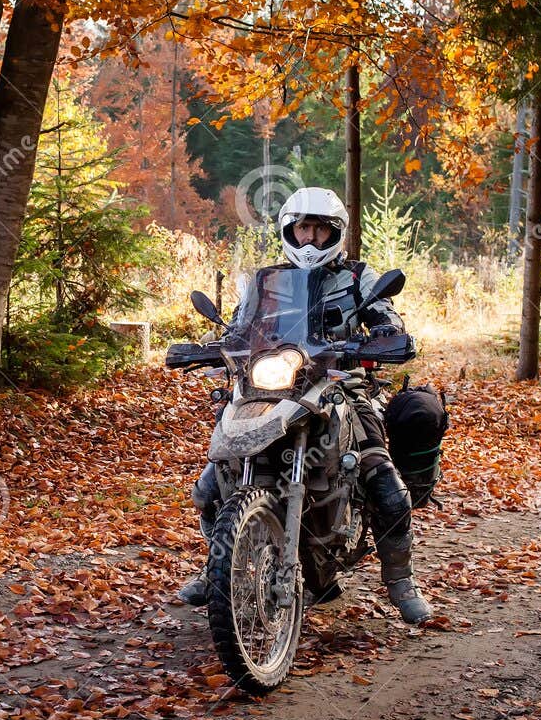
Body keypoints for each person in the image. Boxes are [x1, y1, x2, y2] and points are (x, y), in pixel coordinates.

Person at [177, 187, 432, 624]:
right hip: (272, 389)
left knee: (385, 485)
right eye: (302, 228)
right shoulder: (267, 282)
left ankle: (401, 581)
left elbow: (388, 320)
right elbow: (240, 328)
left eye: (319, 229)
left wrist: (384, 338)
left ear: (335, 232)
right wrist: (212, 346)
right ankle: (218, 566)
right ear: (289, 232)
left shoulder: (357, 279)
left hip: (342, 387)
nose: (310, 238)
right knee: (211, 484)